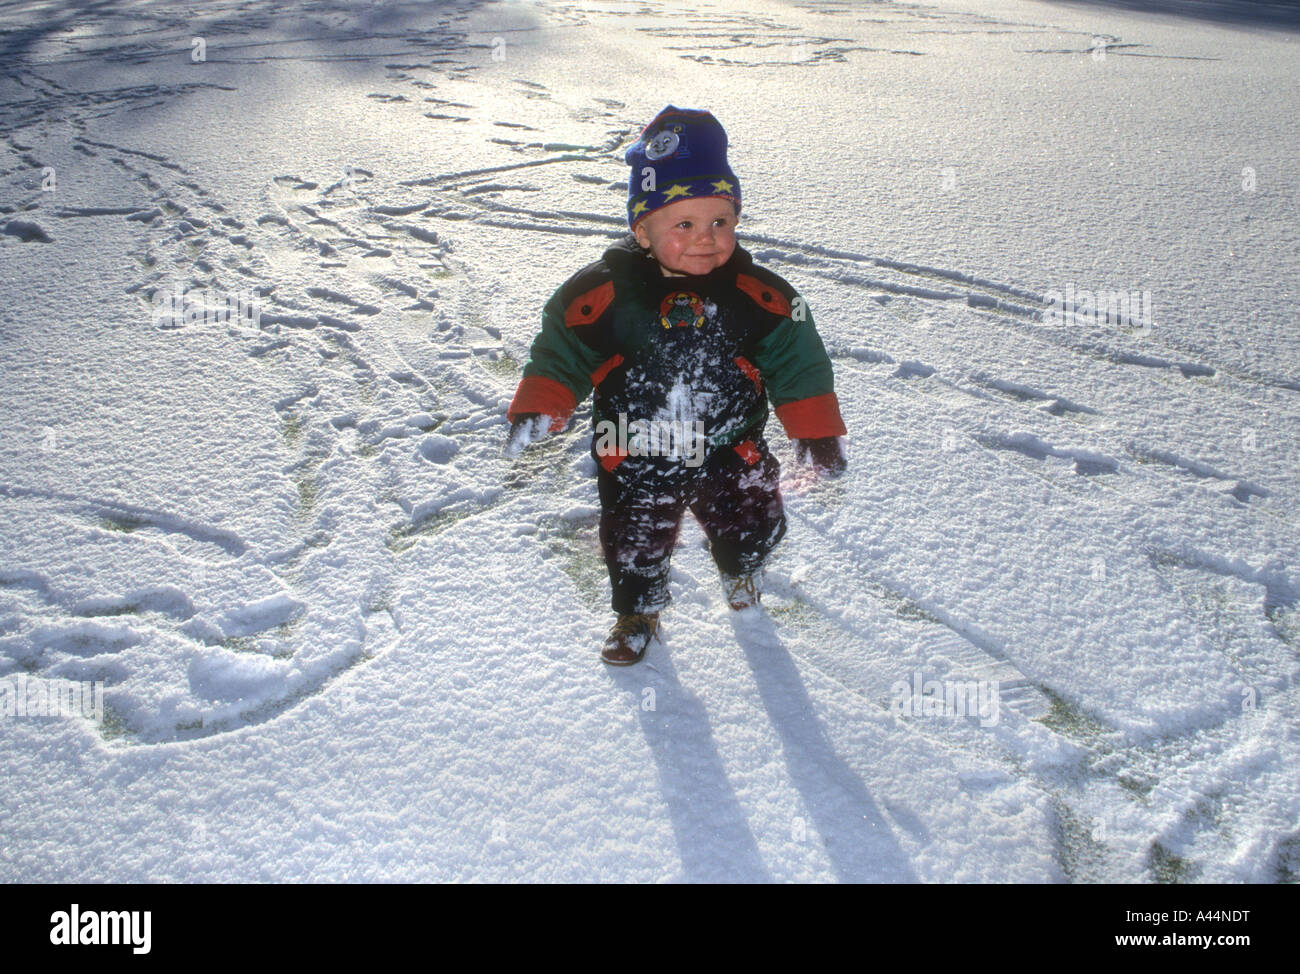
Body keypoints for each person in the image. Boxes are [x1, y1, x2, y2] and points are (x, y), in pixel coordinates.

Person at [505, 105, 846, 665]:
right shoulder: (605, 293)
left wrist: (815, 431)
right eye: (683, 224)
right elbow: (563, 349)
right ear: (643, 228)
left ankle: (743, 568)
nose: (706, 239)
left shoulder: (757, 294)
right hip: (633, 448)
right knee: (636, 538)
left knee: (751, 524)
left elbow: (797, 357)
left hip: (730, 446)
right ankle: (637, 611)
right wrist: (544, 404)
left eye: (720, 222)